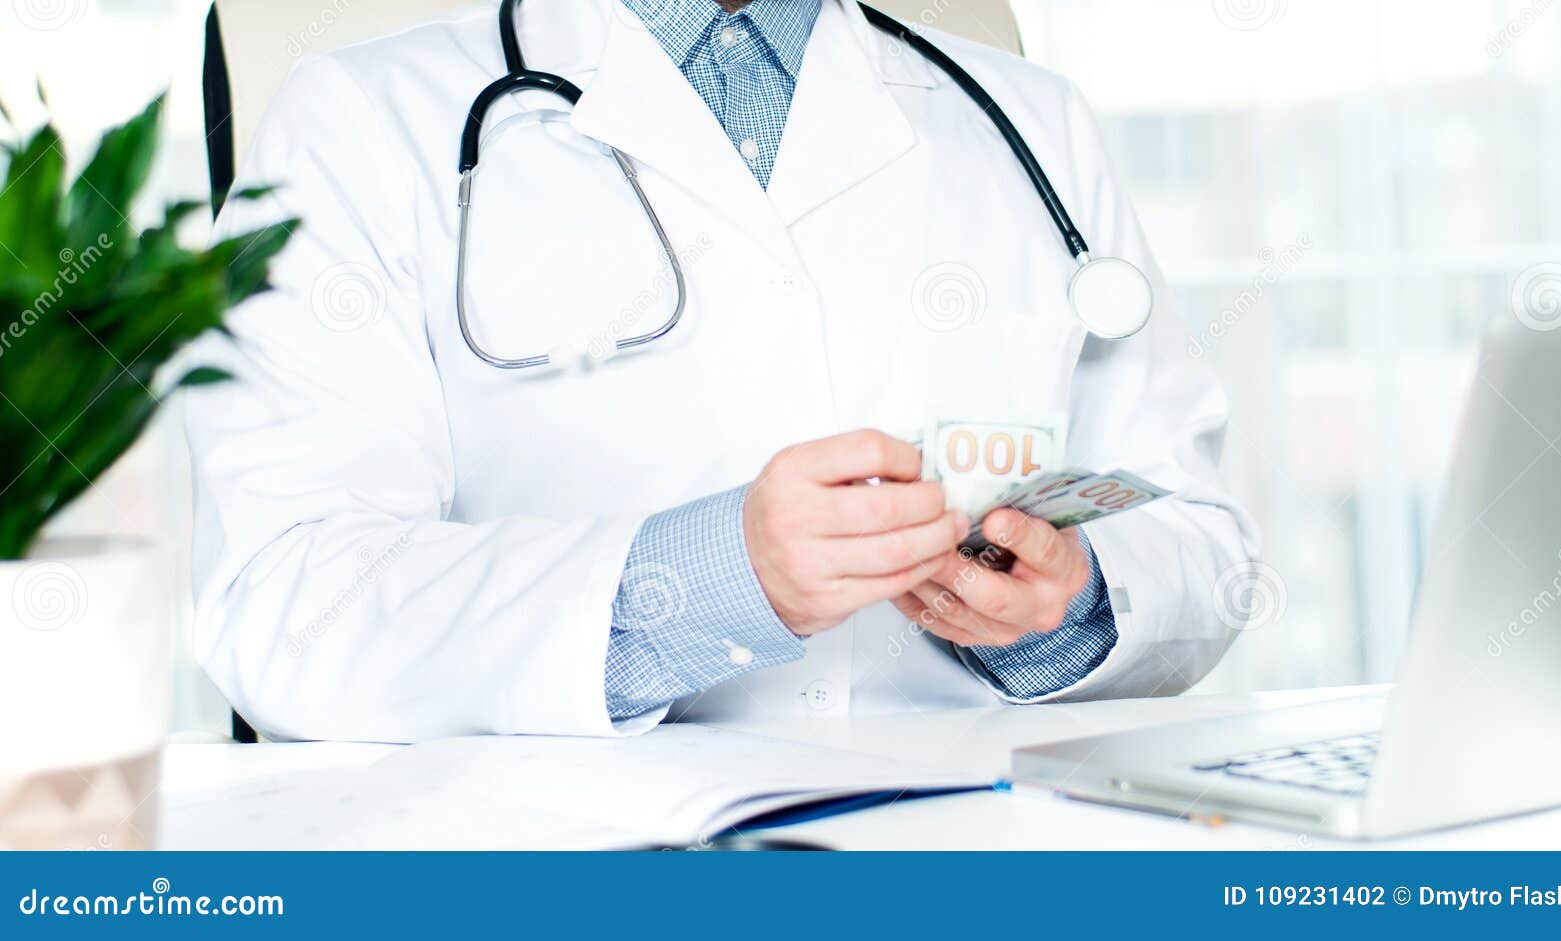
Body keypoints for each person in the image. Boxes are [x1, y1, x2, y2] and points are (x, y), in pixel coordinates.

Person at [185, 0, 1257, 742]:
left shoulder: (1030, 117)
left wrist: (1068, 610)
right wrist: (703, 583)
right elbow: (285, 602)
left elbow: (1201, 539)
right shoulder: (356, 119)